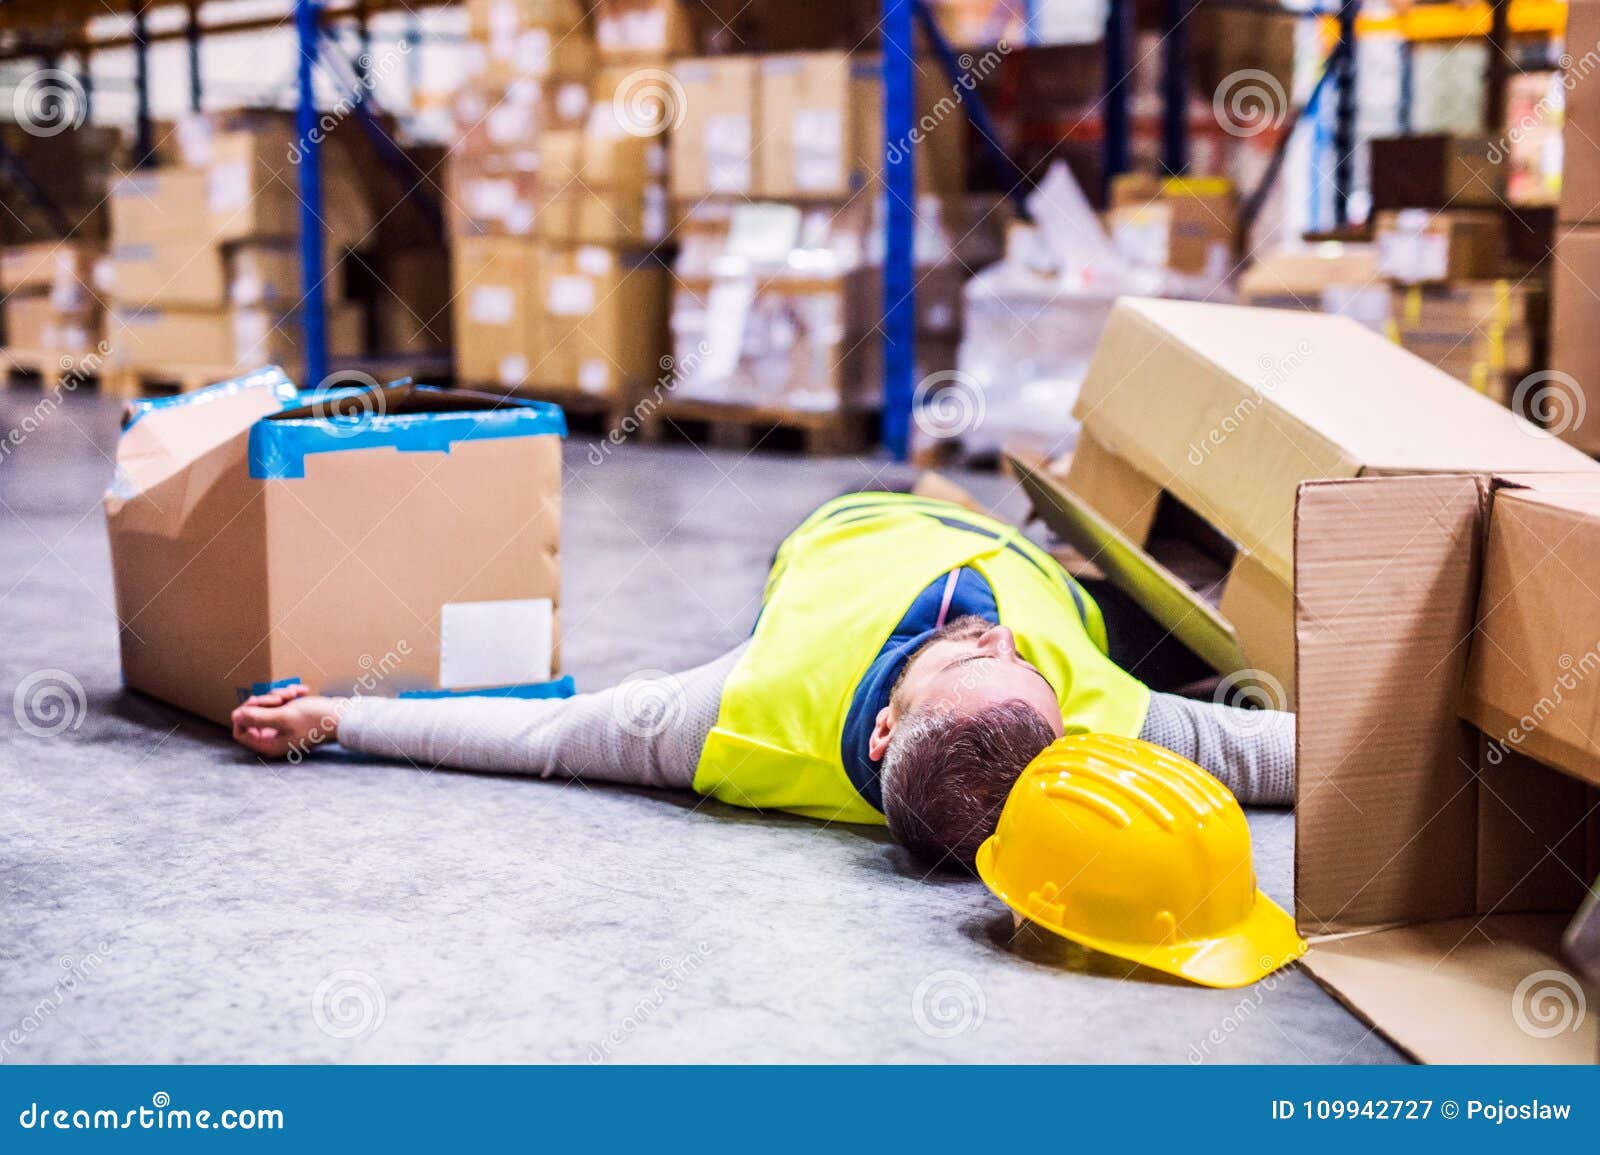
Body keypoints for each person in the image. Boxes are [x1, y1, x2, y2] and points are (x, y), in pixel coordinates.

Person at [232, 492, 1294, 870]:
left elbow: (546, 740)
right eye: (1000, 656)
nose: (998, 639)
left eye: (998, 654)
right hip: (989, 541)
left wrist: (337, 717)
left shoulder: (735, 721)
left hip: (853, 523)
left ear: (878, 737)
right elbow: (1272, 752)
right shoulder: (1100, 731)